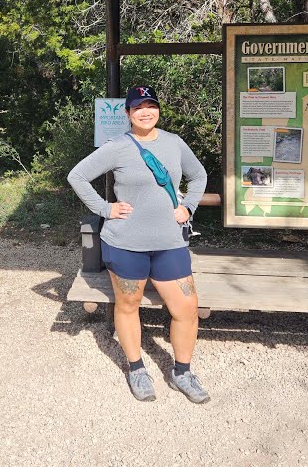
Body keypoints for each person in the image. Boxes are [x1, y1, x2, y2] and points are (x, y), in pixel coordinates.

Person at [67, 85, 210, 403]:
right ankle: (136, 369)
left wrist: (189, 207)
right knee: (128, 305)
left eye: (151, 105)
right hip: (126, 243)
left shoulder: (174, 143)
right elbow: (77, 176)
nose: (146, 111)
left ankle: (182, 372)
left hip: (169, 243)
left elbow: (198, 176)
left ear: (158, 109)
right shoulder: (117, 147)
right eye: (138, 107)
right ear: (128, 113)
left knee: (186, 309)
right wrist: (105, 209)